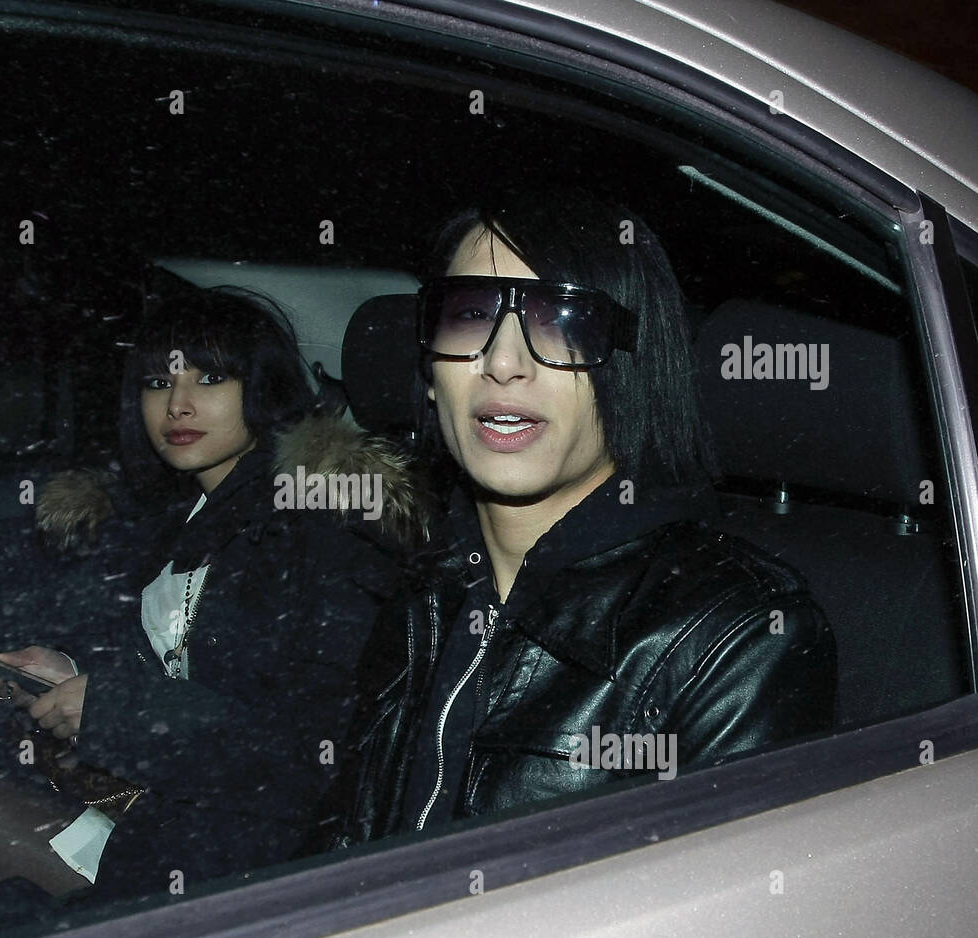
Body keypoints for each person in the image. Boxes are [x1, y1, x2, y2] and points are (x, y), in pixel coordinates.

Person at [324, 192, 839, 846]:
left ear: (632, 368)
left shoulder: (738, 637)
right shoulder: (421, 593)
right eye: (469, 315)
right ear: (429, 374)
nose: (502, 362)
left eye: (559, 319)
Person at [0, 282, 424, 904]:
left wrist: (113, 712)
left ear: (260, 390)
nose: (178, 406)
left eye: (210, 380)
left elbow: (315, 755)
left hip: (253, 860)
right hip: (166, 814)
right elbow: (184, 673)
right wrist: (71, 679)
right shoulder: (180, 517)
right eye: (160, 382)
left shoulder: (319, 526)